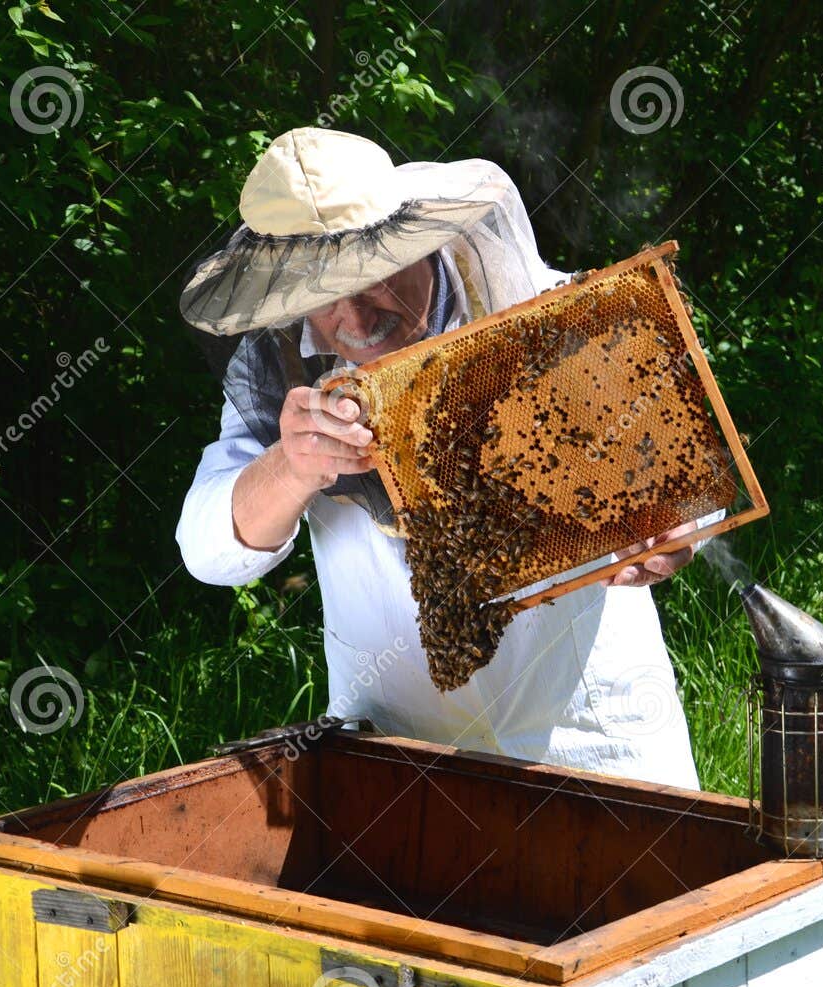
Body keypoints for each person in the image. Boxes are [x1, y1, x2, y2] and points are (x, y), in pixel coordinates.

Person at [175, 127, 701, 787]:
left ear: (411, 239)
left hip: (590, 744)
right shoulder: (280, 368)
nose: (354, 316)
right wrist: (291, 465)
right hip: (398, 764)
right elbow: (208, 550)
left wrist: (671, 526)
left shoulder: (554, 314)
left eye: (369, 276)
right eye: (320, 292)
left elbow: (667, 485)